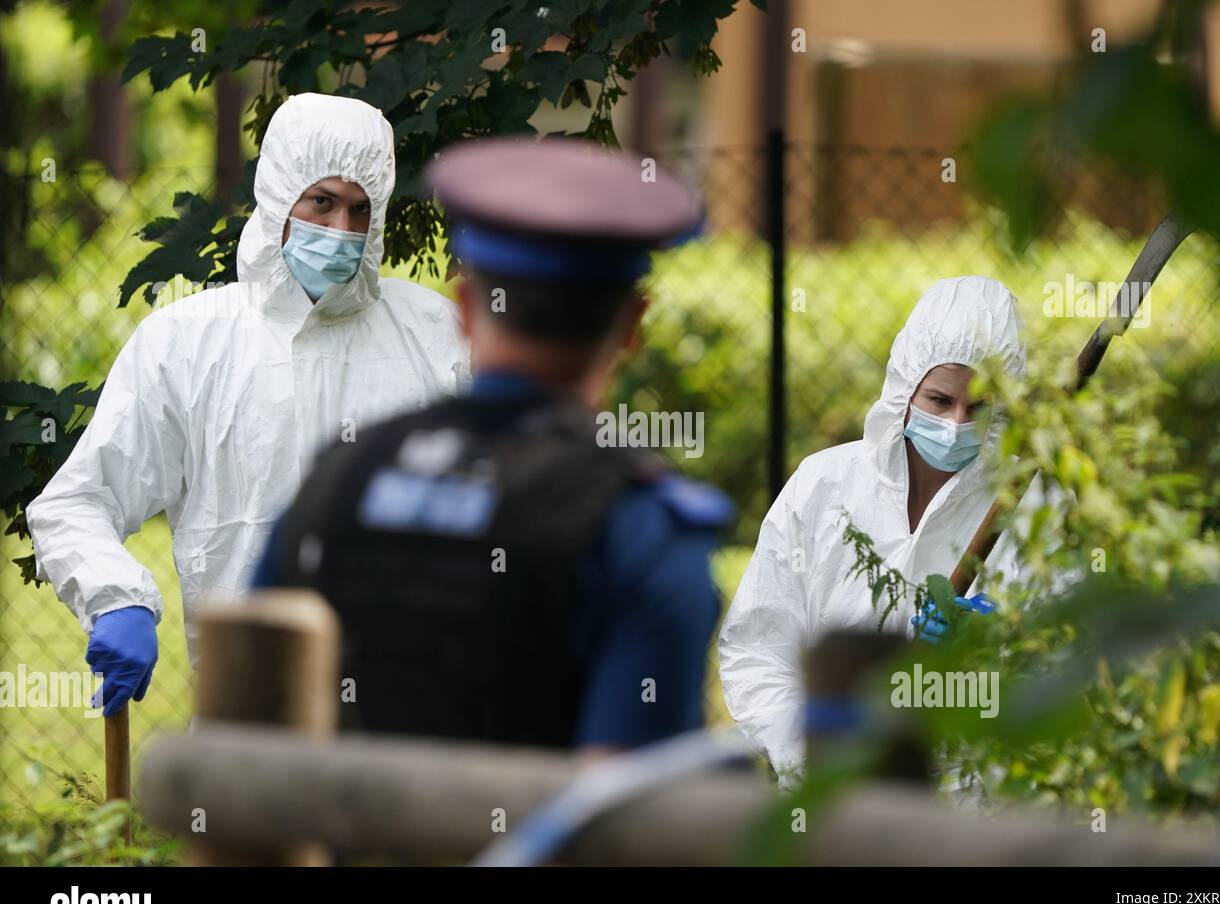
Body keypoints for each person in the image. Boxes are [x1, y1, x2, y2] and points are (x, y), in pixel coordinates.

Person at [249, 136, 732, 752]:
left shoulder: (340, 477)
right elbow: (624, 808)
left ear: (467, 307)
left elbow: (253, 733)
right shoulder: (642, 532)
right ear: (633, 323)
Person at [26, 92, 470, 718]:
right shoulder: (189, 343)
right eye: (320, 202)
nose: (340, 231)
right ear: (279, 196)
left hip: (419, 706)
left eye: (358, 209)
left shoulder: (433, 336)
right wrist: (115, 597)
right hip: (254, 704)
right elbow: (78, 501)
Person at [718, 275, 1038, 789]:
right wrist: (814, 759)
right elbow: (759, 648)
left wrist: (999, 652)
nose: (956, 423)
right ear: (905, 386)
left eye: (978, 407)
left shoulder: (1033, 502)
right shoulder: (823, 486)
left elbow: (1075, 670)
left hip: (974, 810)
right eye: (938, 400)